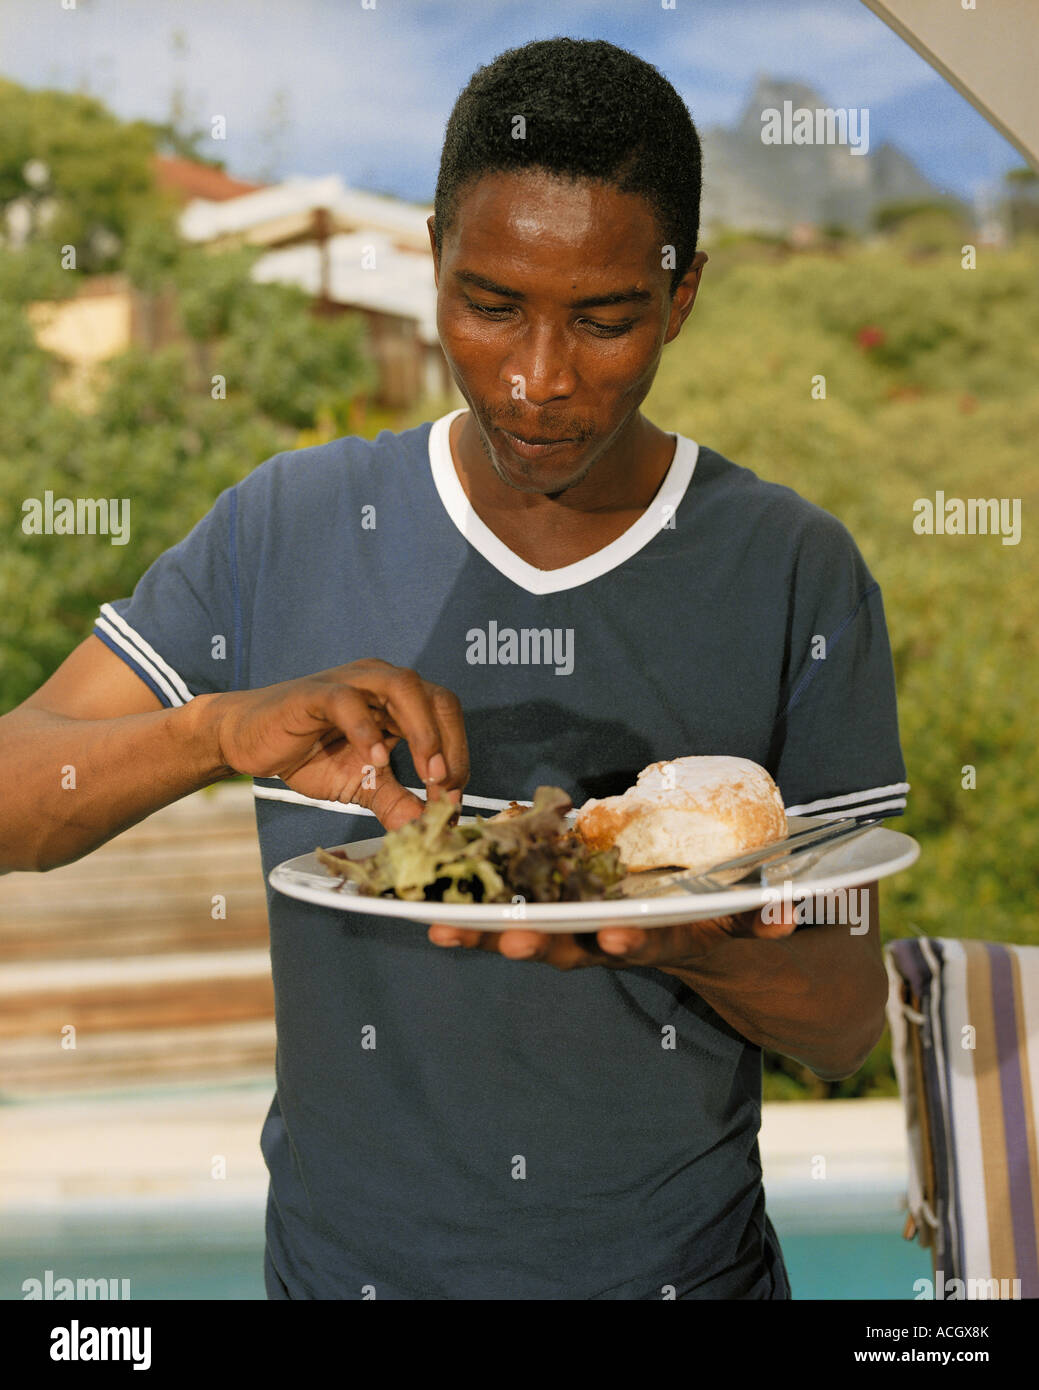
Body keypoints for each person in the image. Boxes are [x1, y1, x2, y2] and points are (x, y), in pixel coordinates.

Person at [0, 37, 908, 1299]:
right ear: (430, 262)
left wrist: (672, 937)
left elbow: (848, 1015)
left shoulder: (790, 569)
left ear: (681, 295)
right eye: (489, 306)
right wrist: (208, 733)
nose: (538, 379)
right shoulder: (290, 523)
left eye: (603, 319)